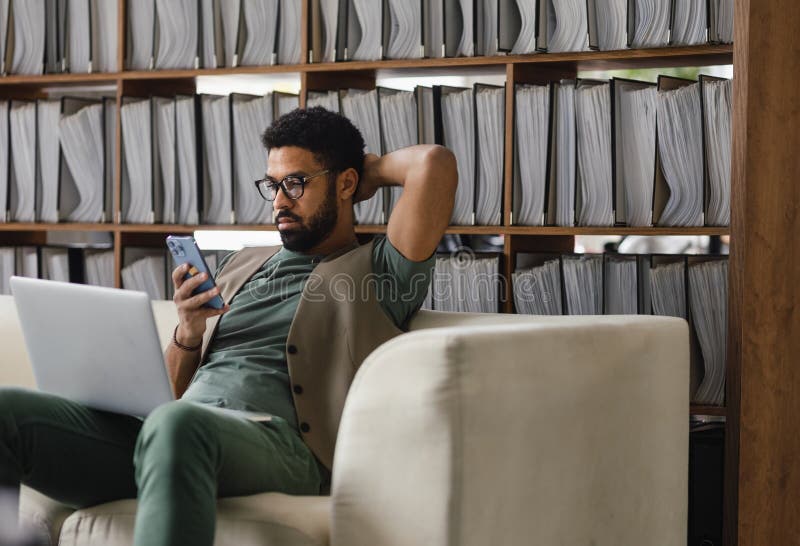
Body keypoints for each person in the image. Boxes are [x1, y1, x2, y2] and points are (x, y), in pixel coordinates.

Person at [0, 107, 458, 546]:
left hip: (279, 443)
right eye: (273, 185)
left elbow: (432, 164)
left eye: (296, 184)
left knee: (178, 426)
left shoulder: (380, 272)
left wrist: (364, 170)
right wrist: (188, 333)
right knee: (7, 412)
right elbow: (170, 399)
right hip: (175, 434)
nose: (279, 201)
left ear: (346, 184)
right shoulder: (244, 263)